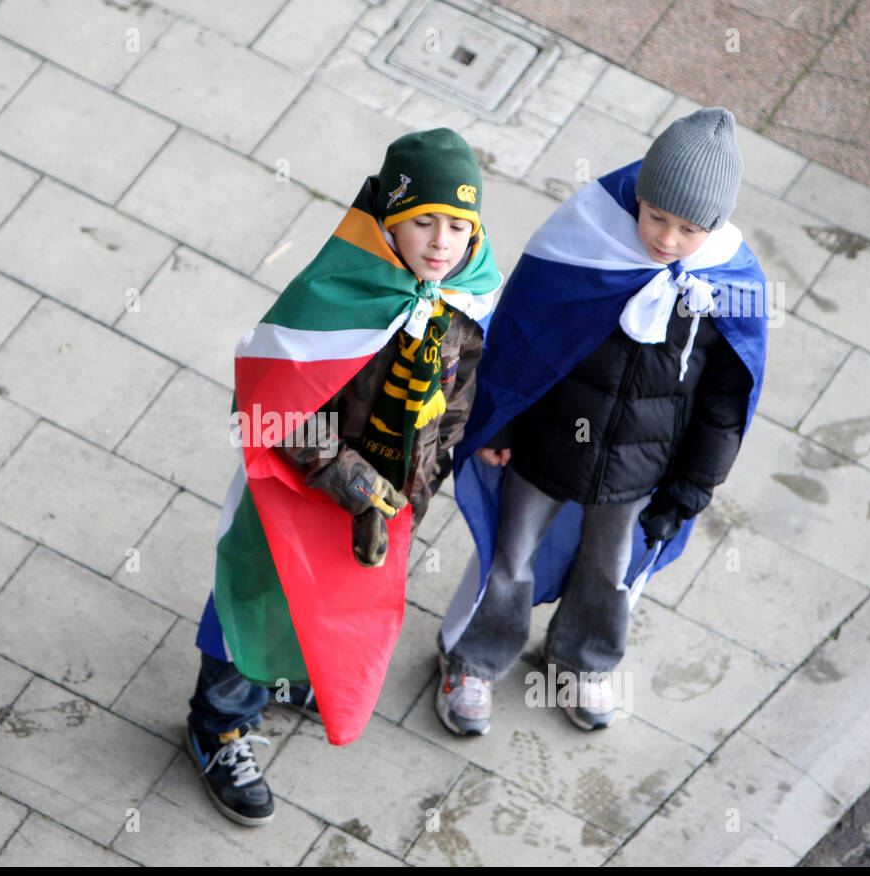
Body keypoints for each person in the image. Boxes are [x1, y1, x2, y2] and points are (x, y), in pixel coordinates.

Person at [186, 128, 504, 825]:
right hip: (299, 491)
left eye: (459, 224)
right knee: (258, 598)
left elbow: (457, 398)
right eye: (424, 221)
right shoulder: (335, 290)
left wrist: (419, 483)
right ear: (389, 218)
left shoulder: (470, 293)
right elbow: (268, 400)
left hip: (389, 497)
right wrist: (349, 478)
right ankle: (219, 724)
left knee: (325, 605)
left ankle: (286, 674)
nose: (443, 242)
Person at [437, 107, 769, 737]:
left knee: (611, 571)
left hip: (640, 468)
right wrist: (499, 422)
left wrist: (694, 486)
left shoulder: (731, 282)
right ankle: (472, 660)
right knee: (507, 558)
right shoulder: (585, 236)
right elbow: (526, 336)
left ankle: (580, 663)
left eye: (690, 229)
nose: (667, 240)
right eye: (656, 217)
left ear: (718, 225)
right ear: (638, 195)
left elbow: (726, 401)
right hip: (544, 449)